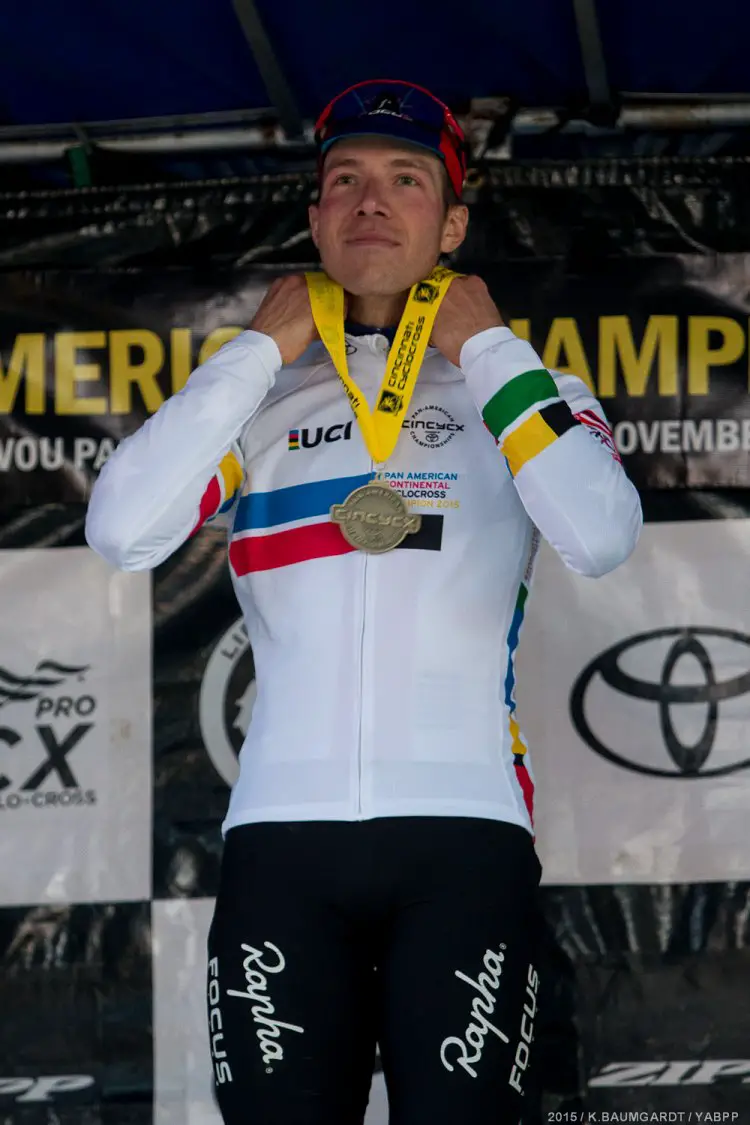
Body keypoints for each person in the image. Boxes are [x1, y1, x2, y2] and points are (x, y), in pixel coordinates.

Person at [85, 78, 642, 1125]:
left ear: (454, 221)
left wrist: (489, 349)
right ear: (314, 218)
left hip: (464, 838)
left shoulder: (528, 393)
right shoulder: (262, 401)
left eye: (404, 180)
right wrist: (254, 351)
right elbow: (122, 530)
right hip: (281, 846)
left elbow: (602, 535)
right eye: (344, 181)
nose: (371, 203)